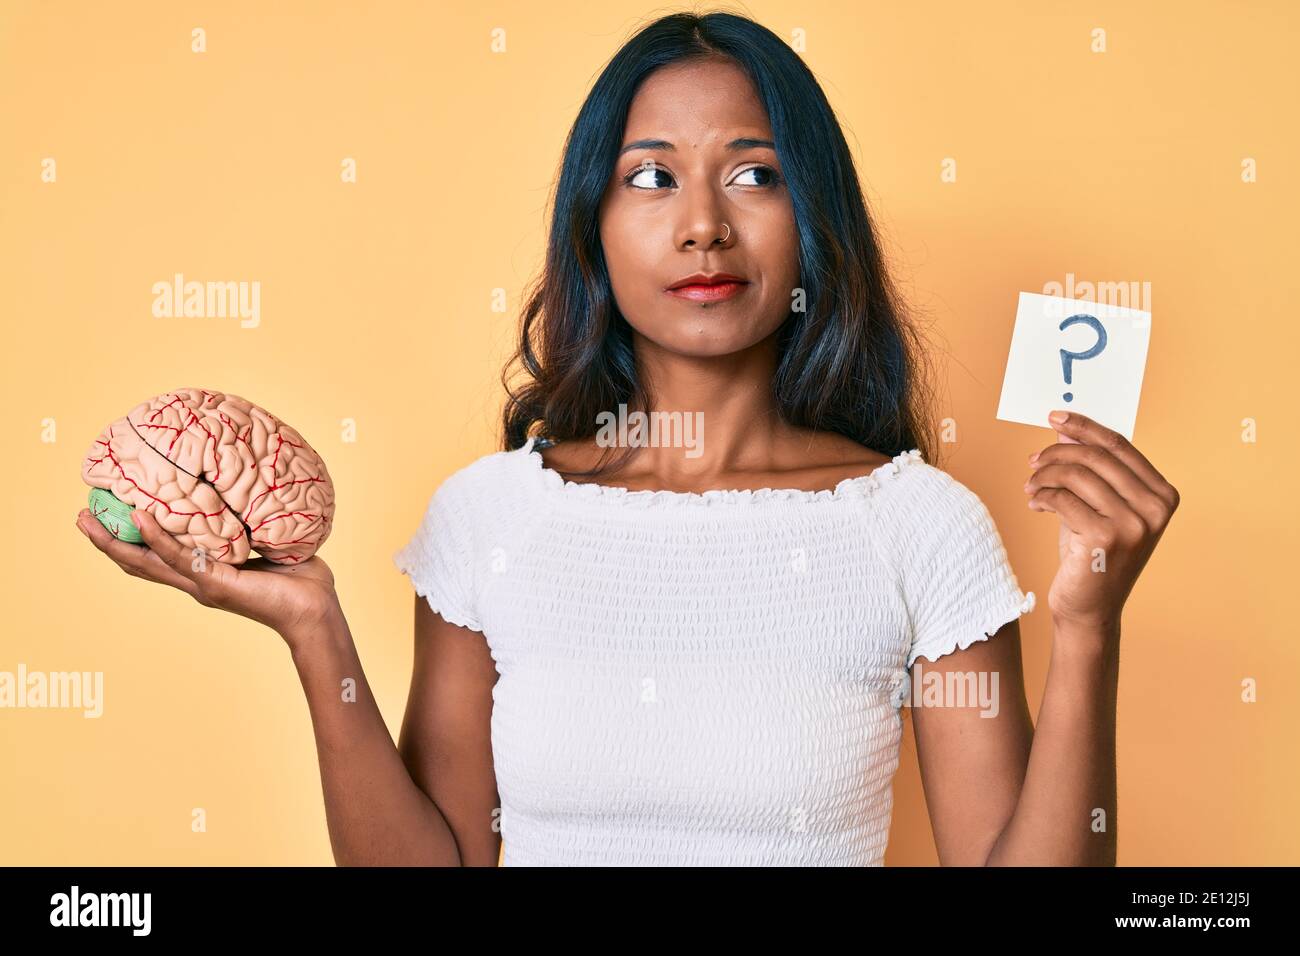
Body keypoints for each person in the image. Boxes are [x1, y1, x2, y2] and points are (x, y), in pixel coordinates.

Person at [74, 11, 1178, 866]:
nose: (704, 221)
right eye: (650, 176)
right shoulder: (489, 519)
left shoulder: (921, 527)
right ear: (593, 230)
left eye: (756, 174)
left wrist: (1087, 631)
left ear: (816, 225)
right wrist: (314, 631)